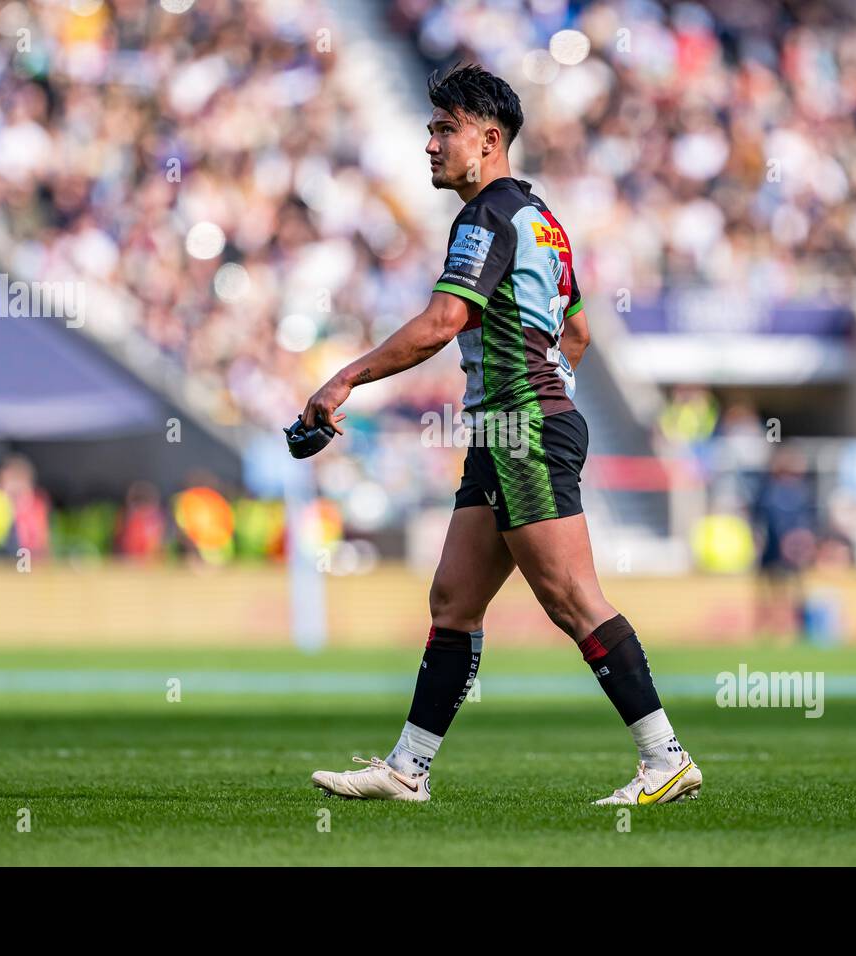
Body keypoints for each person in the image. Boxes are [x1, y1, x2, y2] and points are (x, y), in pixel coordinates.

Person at [298, 64, 699, 805]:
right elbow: (574, 330)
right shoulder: (540, 218)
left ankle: (664, 756)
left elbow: (443, 323)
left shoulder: (484, 217)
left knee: (573, 598)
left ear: (488, 140)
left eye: (443, 130)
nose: (430, 144)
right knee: (453, 600)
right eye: (429, 130)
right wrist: (543, 396)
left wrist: (343, 379)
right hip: (510, 428)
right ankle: (407, 769)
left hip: (524, 428)